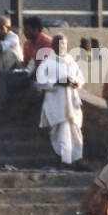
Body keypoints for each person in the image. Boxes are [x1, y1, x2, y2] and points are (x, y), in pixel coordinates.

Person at [35, 33, 84, 166]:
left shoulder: (72, 61)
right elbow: (40, 82)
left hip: (72, 103)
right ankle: (64, 160)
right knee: (60, 132)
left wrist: (75, 83)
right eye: (57, 43)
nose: (61, 46)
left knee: (75, 131)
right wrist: (56, 83)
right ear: (52, 45)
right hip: (56, 103)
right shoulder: (47, 62)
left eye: (63, 43)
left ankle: (77, 160)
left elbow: (80, 78)